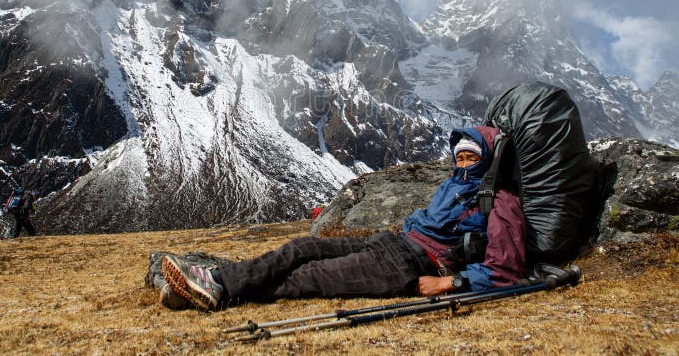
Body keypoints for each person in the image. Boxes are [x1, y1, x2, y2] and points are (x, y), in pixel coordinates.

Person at [159, 127, 527, 311]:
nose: (463, 164)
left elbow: (504, 271)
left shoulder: (500, 201)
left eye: (471, 157)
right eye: (459, 157)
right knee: (303, 246)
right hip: (393, 243)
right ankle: (218, 281)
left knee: (309, 278)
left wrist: (446, 285)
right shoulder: (451, 185)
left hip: (415, 264)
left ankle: (211, 292)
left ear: (489, 158)